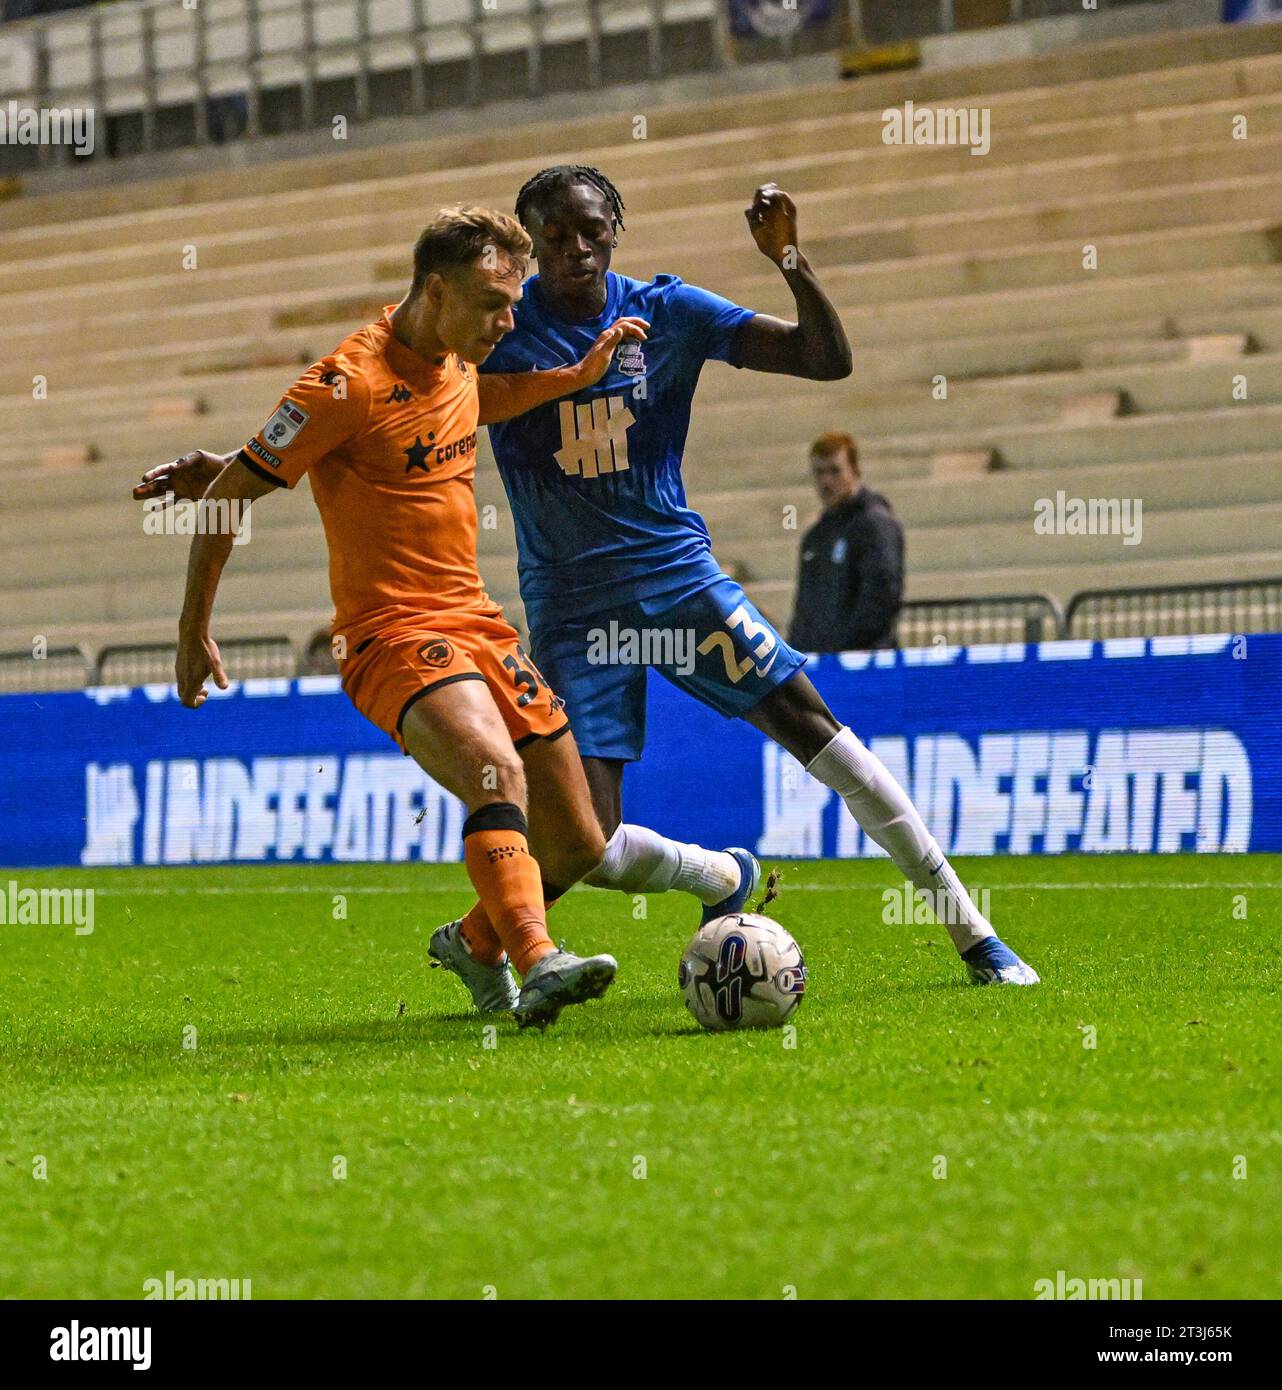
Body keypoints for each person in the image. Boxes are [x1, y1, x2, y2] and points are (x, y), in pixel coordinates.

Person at [479, 166, 1037, 986]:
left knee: (821, 734)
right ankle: (719, 876)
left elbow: (825, 359)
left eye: (591, 229)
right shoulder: (496, 332)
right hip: (574, 612)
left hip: (677, 579)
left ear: (617, 228)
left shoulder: (667, 312)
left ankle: (974, 932)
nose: (576, 248)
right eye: (554, 237)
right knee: (587, 844)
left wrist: (790, 261)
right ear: (527, 249)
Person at [164, 205, 656, 1029]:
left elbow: (479, 400)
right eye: (496, 303)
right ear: (435, 290)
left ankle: (477, 943)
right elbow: (227, 498)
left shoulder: (460, 358)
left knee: (578, 840)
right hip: (391, 633)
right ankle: (539, 961)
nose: (512, 319)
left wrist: (571, 379)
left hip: (479, 624)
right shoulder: (344, 382)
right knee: (493, 771)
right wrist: (192, 631)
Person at [788, 432, 904, 653]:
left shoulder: (875, 526)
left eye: (835, 471)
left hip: (863, 664)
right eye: (819, 472)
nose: (826, 481)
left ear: (855, 470)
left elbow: (881, 597)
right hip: (823, 664)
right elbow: (804, 606)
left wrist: (844, 649)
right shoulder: (816, 536)